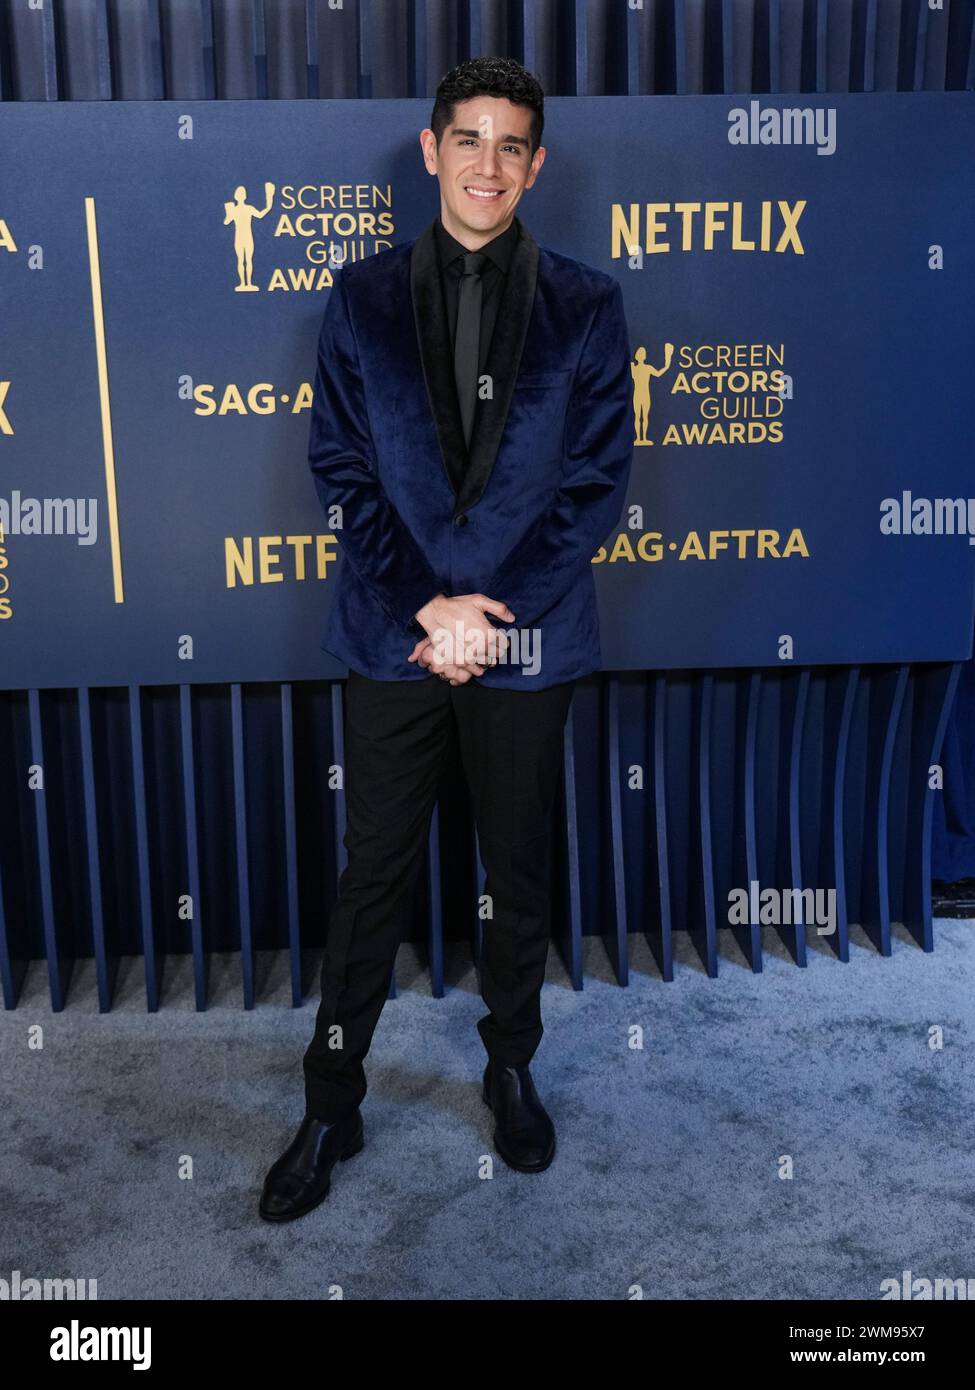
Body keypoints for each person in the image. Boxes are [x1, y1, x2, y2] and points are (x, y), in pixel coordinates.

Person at [260, 55, 633, 1222]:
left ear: (536, 163)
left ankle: (510, 1064)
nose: (487, 163)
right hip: (394, 633)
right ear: (431, 151)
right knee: (371, 876)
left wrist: (489, 614)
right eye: (466, 138)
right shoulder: (359, 298)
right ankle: (331, 1098)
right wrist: (429, 604)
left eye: (510, 144)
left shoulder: (588, 303)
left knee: (516, 865)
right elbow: (339, 469)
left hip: (528, 637)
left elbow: (595, 484)